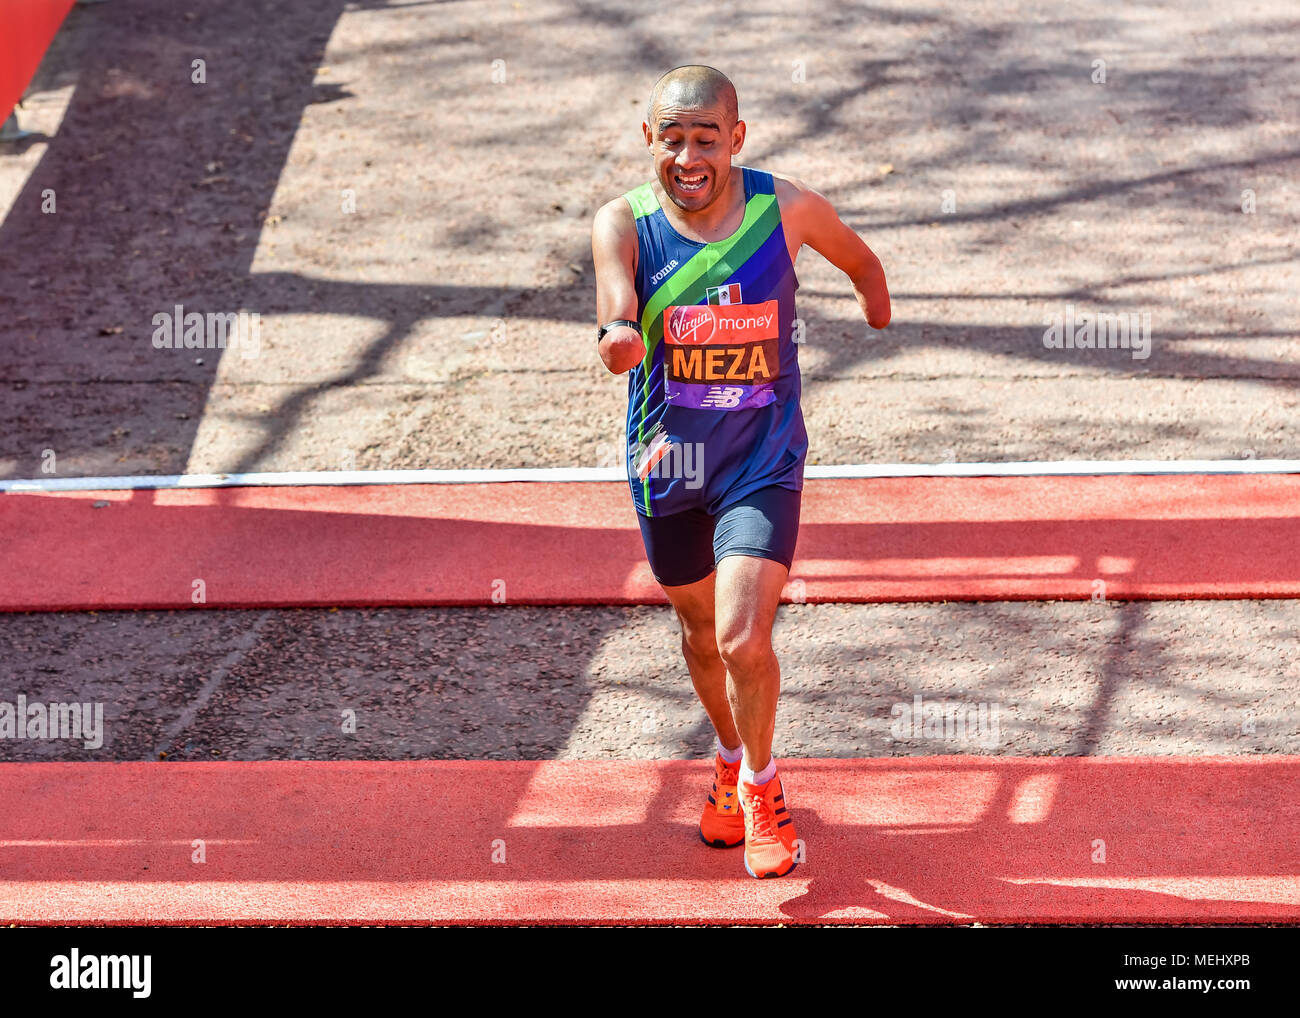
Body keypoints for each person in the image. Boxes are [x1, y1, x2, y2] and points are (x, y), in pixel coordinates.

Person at [591, 65, 891, 878]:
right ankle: (728, 757)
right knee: (697, 634)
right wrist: (620, 335)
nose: (689, 156)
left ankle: (763, 788)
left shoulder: (784, 208)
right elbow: (616, 299)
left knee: (741, 636)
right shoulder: (622, 221)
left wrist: (875, 304)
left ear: (737, 139)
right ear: (648, 139)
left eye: (706, 138)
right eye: (672, 138)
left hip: (761, 460)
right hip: (669, 466)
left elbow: (862, 262)